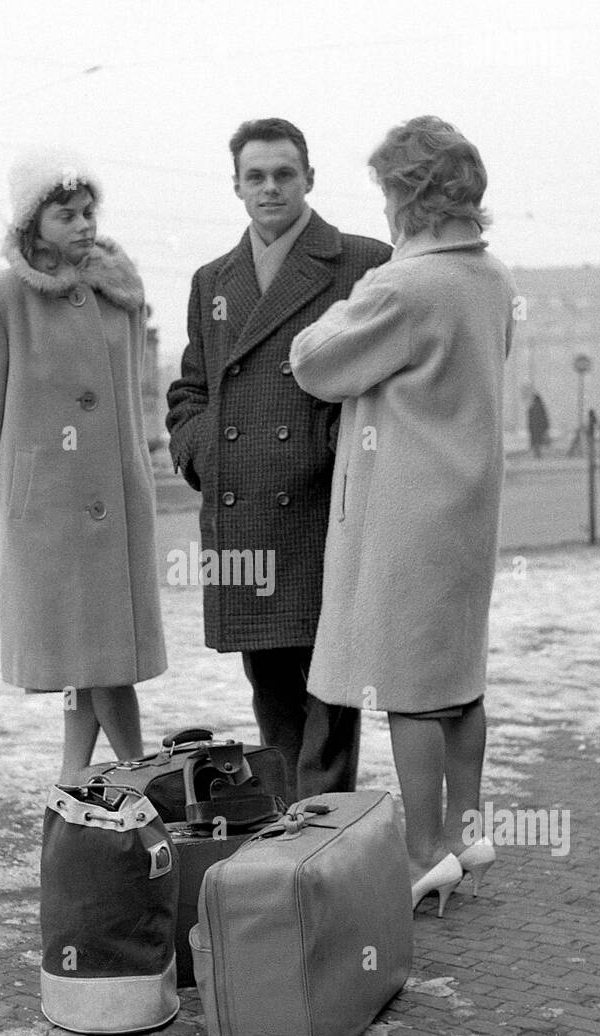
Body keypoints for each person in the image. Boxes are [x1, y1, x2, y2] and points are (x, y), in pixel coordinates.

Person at [289, 116, 516, 916]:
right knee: (459, 682)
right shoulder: (492, 281)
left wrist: (346, 302)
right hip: (468, 504)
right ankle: (464, 833)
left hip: (405, 511)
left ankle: (423, 854)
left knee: (410, 690)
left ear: (408, 196)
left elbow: (317, 364)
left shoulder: (402, 285)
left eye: (389, 190)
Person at [165, 117, 391, 798]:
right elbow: (192, 388)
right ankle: (294, 831)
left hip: (326, 509)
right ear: (236, 185)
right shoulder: (213, 280)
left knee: (333, 684)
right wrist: (202, 448)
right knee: (270, 689)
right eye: (256, 176)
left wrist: (334, 450)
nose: (270, 188)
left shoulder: (362, 262)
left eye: (284, 174)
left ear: (310, 179)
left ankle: (324, 830)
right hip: (245, 517)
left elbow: (381, 383)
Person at [0, 149, 167, 781]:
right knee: (97, 659)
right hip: (51, 518)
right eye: (65, 214)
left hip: (118, 506)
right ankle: (137, 776)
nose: (83, 225)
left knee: (92, 660)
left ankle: (74, 780)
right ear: (31, 224)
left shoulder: (117, 294)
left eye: (88, 212)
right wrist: (21, 481)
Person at [527, 392, 550, 458]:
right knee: (538, 442)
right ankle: (538, 454)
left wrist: (530, 427)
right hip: (540, 428)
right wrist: (546, 427)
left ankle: (537, 454)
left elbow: (530, 419)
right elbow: (545, 418)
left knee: (535, 441)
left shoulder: (531, 408)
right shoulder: (541, 407)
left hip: (534, 428)